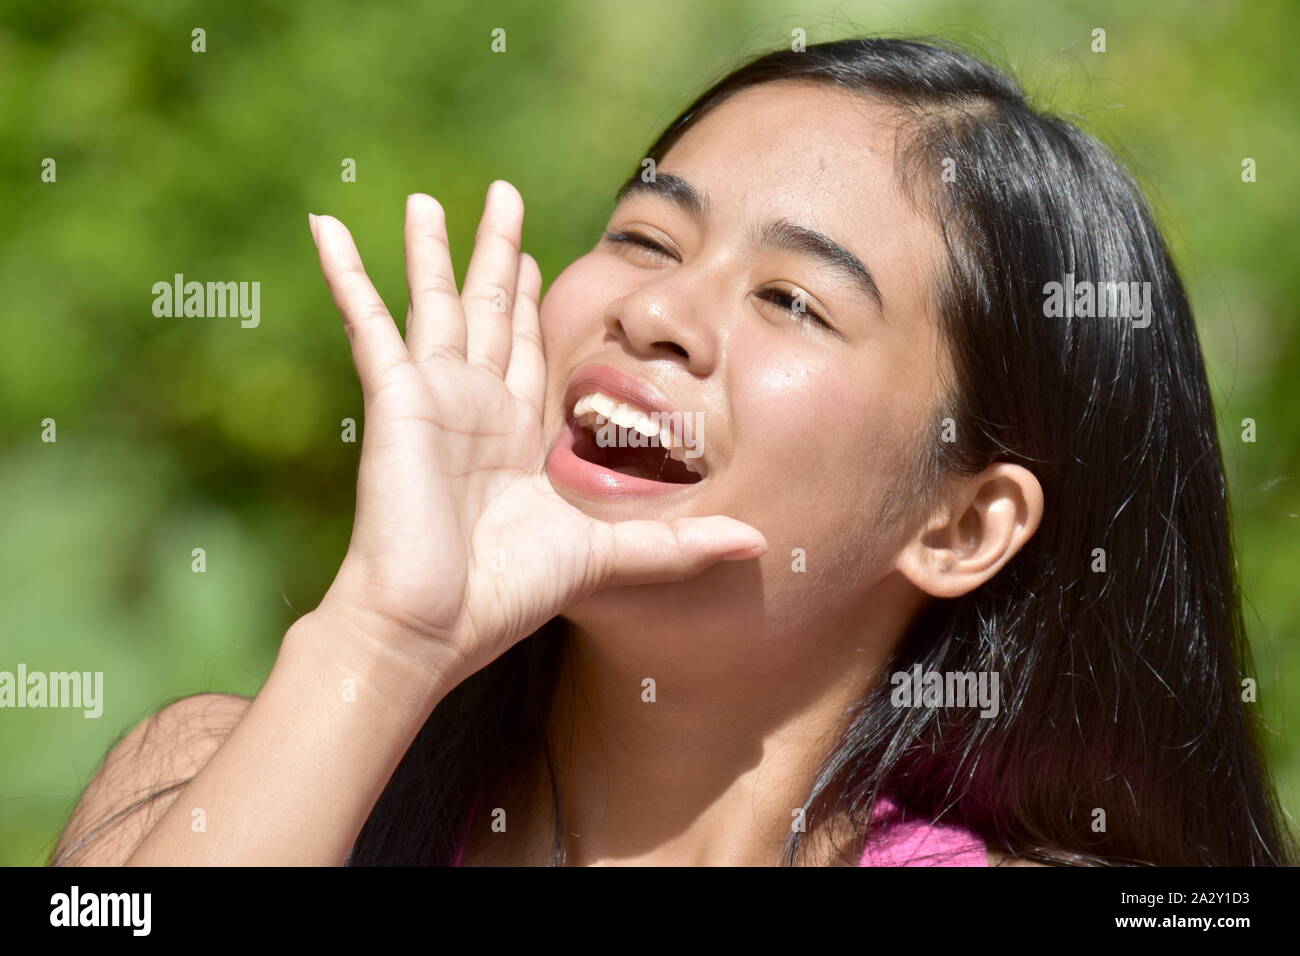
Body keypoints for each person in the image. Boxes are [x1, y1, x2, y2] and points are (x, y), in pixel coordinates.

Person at [52, 36, 1292, 867]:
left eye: (793, 300)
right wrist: (384, 640)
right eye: (647, 237)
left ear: (961, 525)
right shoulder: (200, 783)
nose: (653, 312)